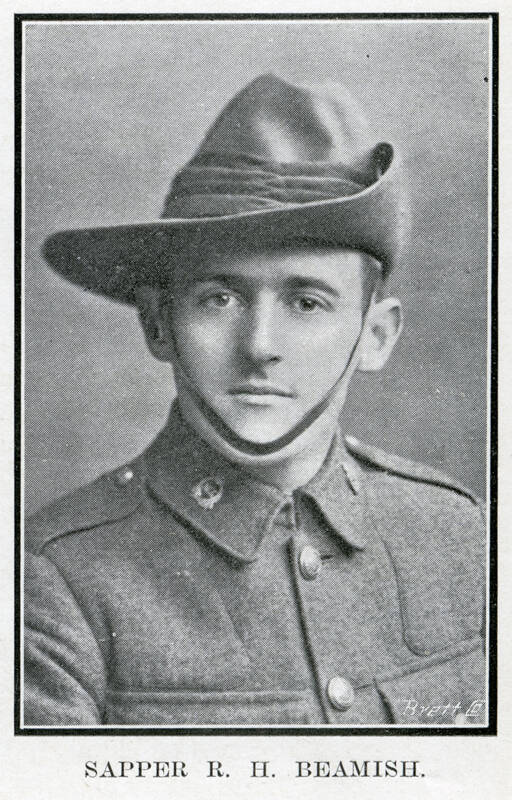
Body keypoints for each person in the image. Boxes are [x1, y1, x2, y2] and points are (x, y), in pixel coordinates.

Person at [24, 73, 486, 727]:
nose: (261, 345)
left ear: (375, 336)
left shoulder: (463, 537)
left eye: (307, 302)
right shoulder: (54, 582)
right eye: (220, 298)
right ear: (159, 324)